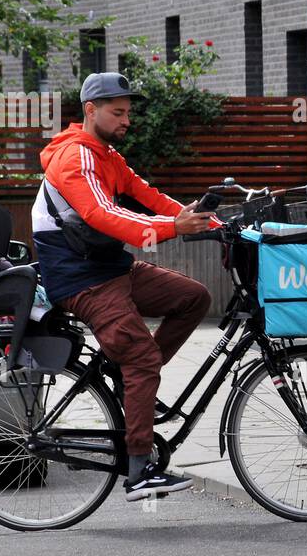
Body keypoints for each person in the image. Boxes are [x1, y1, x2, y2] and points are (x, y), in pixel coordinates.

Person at [31, 72, 218, 501]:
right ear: (90, 110)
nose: (126, 120)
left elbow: (146, 195)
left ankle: (130, 377)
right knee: (142, 359)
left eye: (128, 112)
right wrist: (173, 227)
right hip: (83, 281)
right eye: (118, 112)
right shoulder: (75, 159)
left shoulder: (106, 153)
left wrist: (214, 225)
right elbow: (103, 216)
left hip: (110, 269)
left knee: (194, 298)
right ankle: (139, 471)